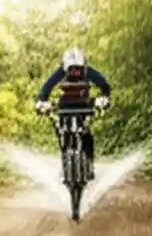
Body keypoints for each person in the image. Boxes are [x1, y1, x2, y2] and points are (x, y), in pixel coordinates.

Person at [35, 47, 112, 179]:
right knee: (61, 133)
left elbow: (103, 84)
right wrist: (41, 101)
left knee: (87, 135)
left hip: (84, 106)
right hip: (65, 107)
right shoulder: (60, 73)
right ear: (66, 67)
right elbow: (46, 87)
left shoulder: (89, 71)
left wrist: (104, 97)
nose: (75, 71)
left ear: (83, 66)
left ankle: (89, 163)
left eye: (78, 68)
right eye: (71, 68)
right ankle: (65, 163)